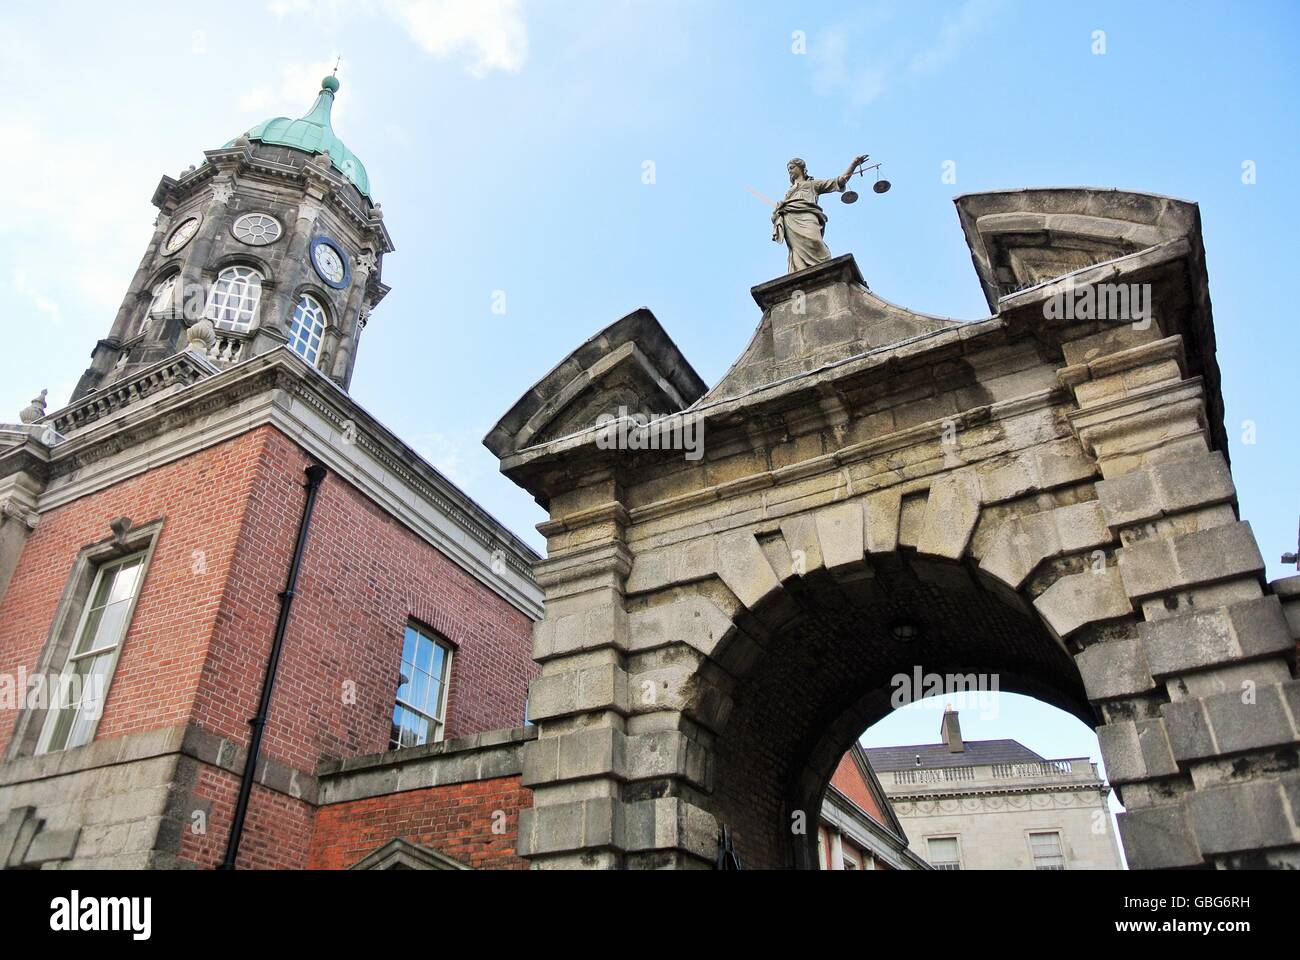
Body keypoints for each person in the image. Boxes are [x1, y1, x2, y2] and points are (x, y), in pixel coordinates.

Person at [772, 154, 869, 273]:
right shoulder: (789, 191)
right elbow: (779, 211)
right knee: (796, 250)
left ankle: (826, 270)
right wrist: (779, 209)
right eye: (788, 169)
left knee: (815, 241)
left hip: (808, 216)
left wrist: (853, 165)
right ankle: (801, 273)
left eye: (792, 167)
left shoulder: (813, 184)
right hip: (790, 220)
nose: (790, 171)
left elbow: (838, 181)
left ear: (801, 168)